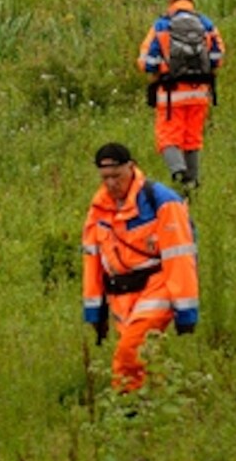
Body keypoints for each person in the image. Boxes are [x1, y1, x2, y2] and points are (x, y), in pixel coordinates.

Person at [81, 143, 199, 392]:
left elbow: (180, 259)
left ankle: (125, 409)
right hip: (121, 297)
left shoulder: (162, 202)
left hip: (158, 288)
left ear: (131, 168)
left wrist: (186, 312)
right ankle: (156, 412)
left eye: (117, 176)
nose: (111, 184)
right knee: (144, 360)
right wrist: (95, 312)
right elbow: (92, 261)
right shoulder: (99, 208)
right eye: (105, 178)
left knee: (128, 354)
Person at [137, 0, 226, 195]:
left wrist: (160, 70)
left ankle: (179, 174)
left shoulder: (162, 25)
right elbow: (218, 56)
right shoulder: (206, 24)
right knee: (192, 138)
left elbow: (146, 60)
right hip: (200, 92)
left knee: (168, 137)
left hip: (171, 93)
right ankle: (192, 184)